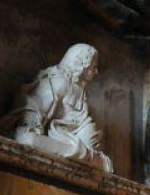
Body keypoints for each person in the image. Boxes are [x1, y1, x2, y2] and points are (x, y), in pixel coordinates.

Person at [12, 43, 113, 172]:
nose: (96, 71)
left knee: (101, 160)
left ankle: (83, 154)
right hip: (50, 134)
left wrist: (88, 130)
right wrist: (31, 126)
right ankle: (82, 154)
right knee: (28, 139)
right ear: (82, 65)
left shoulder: (81, 89)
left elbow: (80, 121)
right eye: (93, 67)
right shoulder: (60, 82)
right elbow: (33, 106)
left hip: (67, 137)